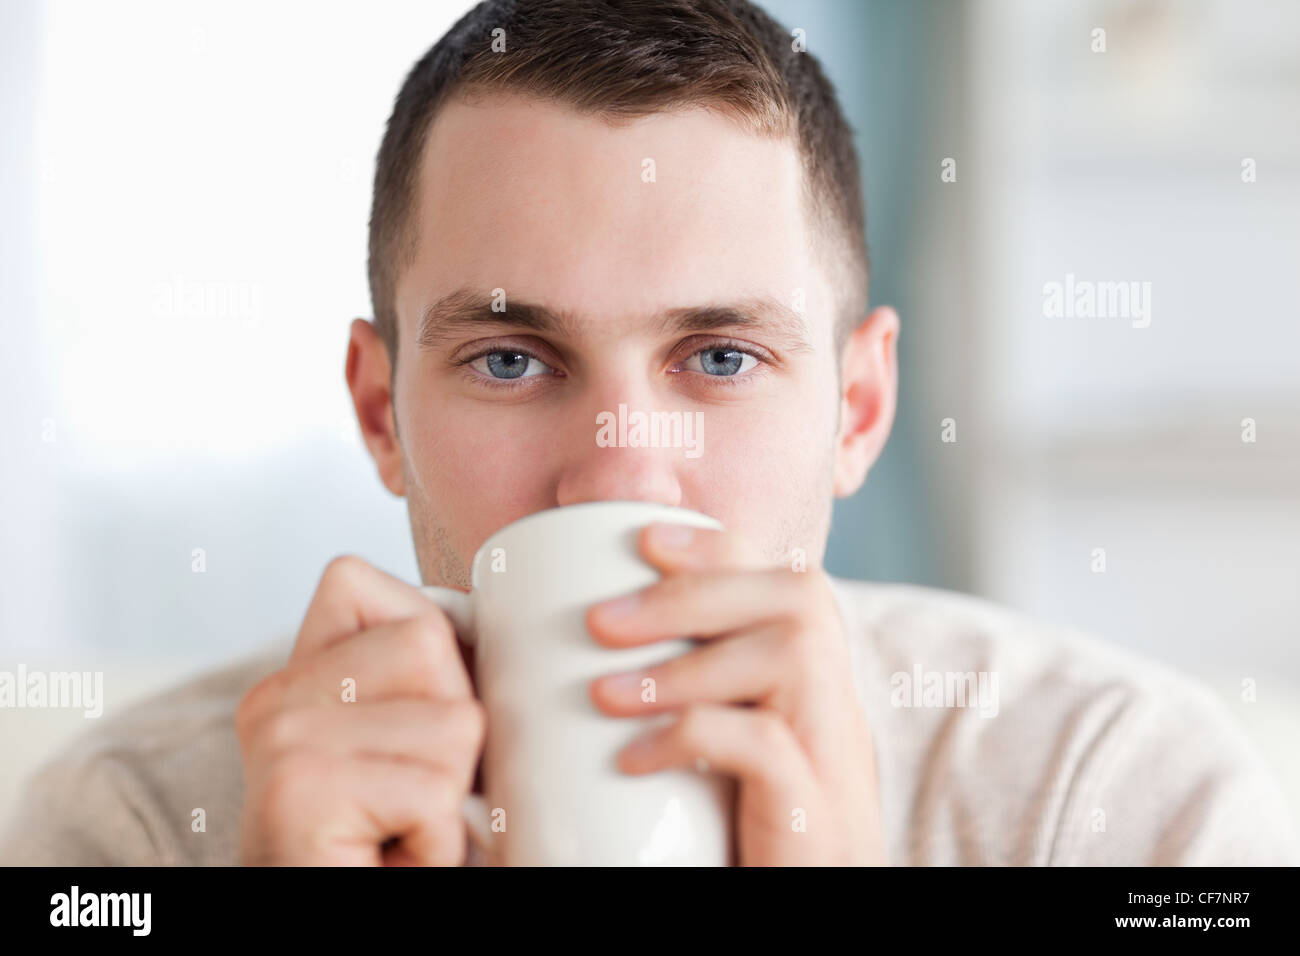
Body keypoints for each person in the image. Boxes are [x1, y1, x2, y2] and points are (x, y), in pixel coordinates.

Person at [3, 0, 1294, 866]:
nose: (616, 469)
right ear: (380, 411)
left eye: (721, 356)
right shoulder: (125, 829)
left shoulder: (1121, 803)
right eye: (511, 359)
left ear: (857, 410)